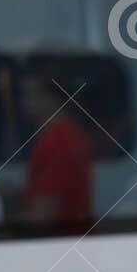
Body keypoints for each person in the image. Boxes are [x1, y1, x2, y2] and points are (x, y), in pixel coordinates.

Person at [17, 61, 95, 234]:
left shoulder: (58, 142)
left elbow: (43, 217)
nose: (24, 103)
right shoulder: (67, 135)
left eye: (30, 95)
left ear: (52, 98)